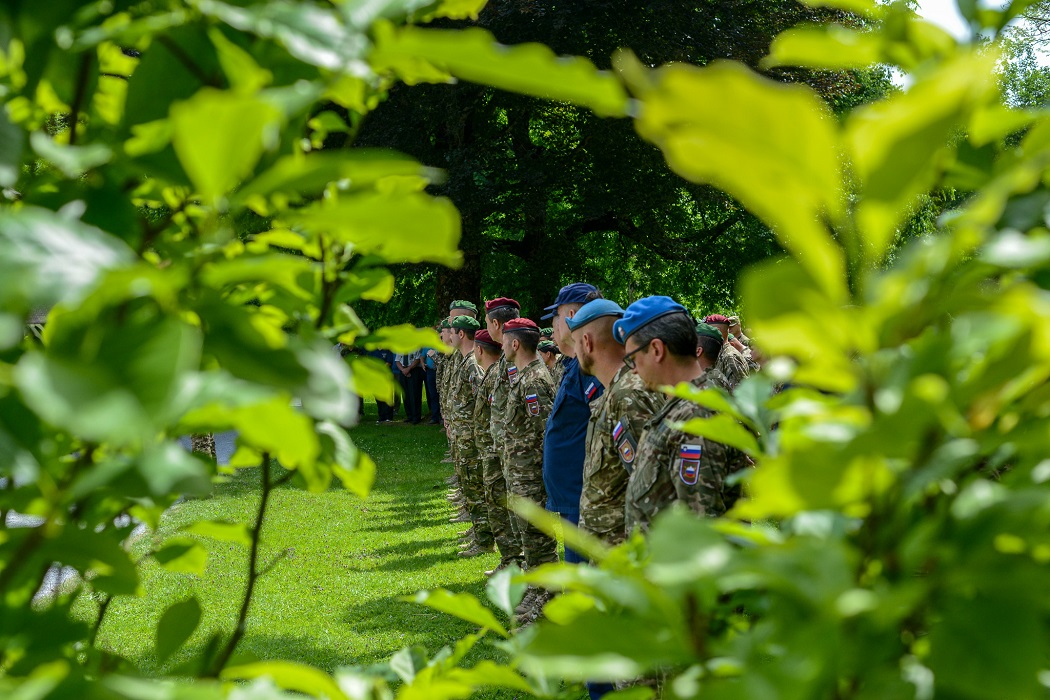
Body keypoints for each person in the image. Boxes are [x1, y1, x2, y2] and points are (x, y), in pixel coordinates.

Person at [614, 298, 751, 532]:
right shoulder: (687, 404)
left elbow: (700, 532)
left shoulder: (696, 418)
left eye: (633, 358)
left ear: (656, 349)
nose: (634, 369)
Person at [569, 299, 662, 547]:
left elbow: (652, 487)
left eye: (576, 342)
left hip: (623, 555)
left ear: (587, 343)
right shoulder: (616, 391)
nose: (575, 351)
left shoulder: (627, 395)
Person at [539, 283, 604, 566]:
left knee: (581, 574)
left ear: (573, 314)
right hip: (571, 492)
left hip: (583, 492)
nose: (553, 325)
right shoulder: (574, 364)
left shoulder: (590, 368)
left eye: (556, 316)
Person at [500, 317, 559, 622]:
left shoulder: (535, 379)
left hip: (531, 476)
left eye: (504, 340)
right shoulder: (525, 376)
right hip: (520, 474)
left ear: (515, 343)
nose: (501, 345)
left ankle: (547, 598)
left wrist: (541, 478)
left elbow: (545, 432)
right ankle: (537, 592)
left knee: (539, 540)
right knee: (529, 538)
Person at [446, 315, 495, 557]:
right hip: (464, 436)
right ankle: (480, 534)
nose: (449, 336)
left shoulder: (473, 365)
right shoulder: (466, 361)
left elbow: (484, 401)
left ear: (461, 334)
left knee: (477, 488)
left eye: (452, 332)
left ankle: (484, 540)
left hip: (473, 438)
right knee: (471, 487)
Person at [484, 296, 526, 576]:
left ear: (495, 323)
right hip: (502, 445)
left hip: (514, 450)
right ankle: (512, 560)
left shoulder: (513, 360)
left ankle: (519, 564)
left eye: (487, 322)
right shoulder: (505, 357)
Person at [473, 328, 521, 571]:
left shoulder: (507, 370)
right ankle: (510, 559)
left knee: (504, 507)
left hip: (501, 451)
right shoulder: (498, 368)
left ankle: (513, 560)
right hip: (493, 449)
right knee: (497, 505)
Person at [703, 313, 749, 391]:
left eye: (706, 330)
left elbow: (740, 395)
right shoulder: (721, 353)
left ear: (718, 331)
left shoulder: (730, 357)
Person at [367, 348, 397, 423]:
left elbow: (389, 362)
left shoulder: (387, 350)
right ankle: (381, 416)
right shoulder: (373, 351)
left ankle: (388, 416)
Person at [395, 350, 424, 423]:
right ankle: (409, 415)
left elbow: (417, 359)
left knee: (414, 394)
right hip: (403, 371)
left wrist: (409, 369)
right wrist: (403, 370)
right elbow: (397, 361)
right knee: (406, 394)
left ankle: (416, 417)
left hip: (414, 370)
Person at [422, 331, 442, 425]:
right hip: (430, 371)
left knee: (441, 394)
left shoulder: (442, 346)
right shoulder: (428, 345)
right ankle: (434, 417)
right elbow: (422, 356)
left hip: (440, 372)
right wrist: (423, 364)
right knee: (432, 394)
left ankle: (443, 417)